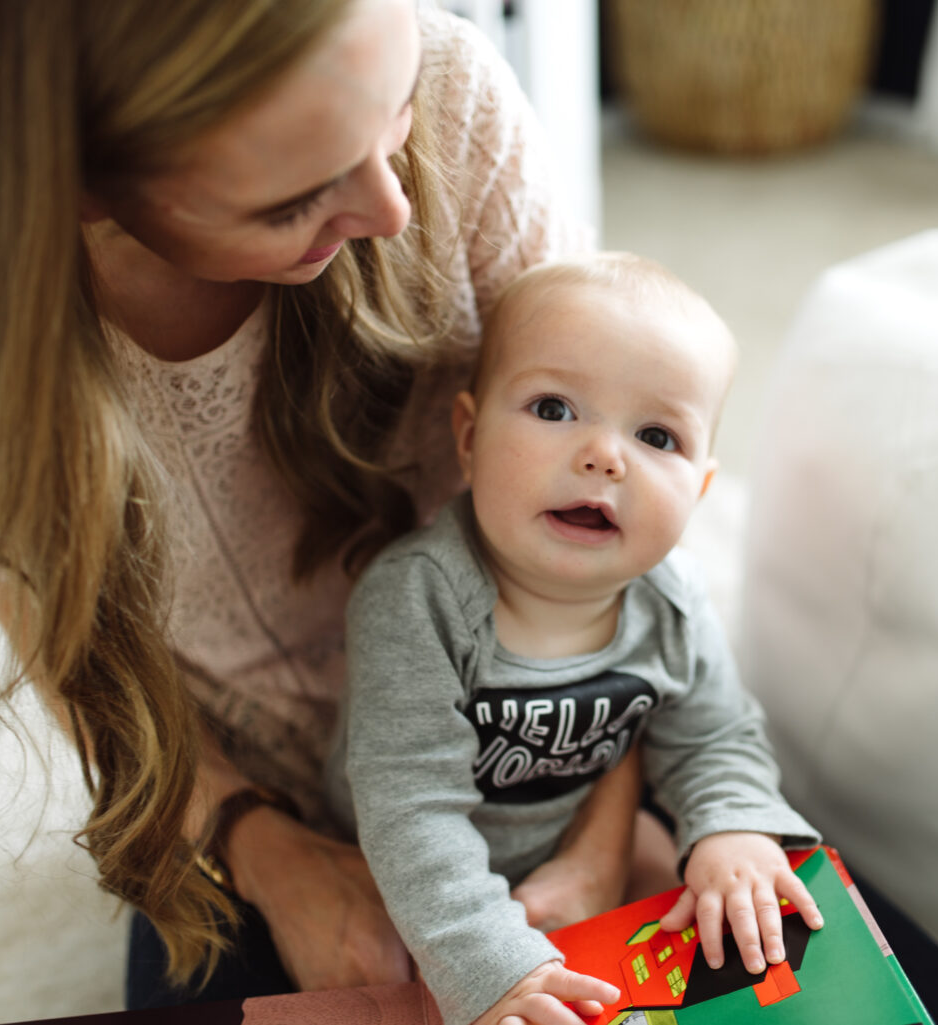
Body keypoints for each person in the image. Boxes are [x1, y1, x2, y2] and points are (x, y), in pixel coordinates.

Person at [0, 1, 938, 1022]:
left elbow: (678, 675)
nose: (393, 209)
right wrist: (263, 849)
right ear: (81, 185)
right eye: (296, 197)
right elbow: (78, 653)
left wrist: (614, 844)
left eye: (390, 122)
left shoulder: (452, 95)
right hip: (252, 788)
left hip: (569, 736)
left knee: (886, 989)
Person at [331, 252, 828, 1025]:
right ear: (469, 437)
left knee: (720, 905)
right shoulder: (419, 599)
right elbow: (412, 813)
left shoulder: (672, 600)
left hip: (576, 832)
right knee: (386, 981)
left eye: (657, 434)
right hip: (410, 873)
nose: (605, 455)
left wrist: (733, 825)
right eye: (555, 408)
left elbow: (714, 735)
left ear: (701, 489)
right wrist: (495, 965)